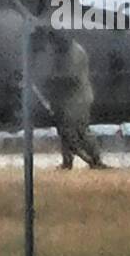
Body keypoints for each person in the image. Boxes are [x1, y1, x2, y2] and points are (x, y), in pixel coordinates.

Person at [43, 30, 106, 169]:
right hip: (65, 98)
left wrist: (51, 80)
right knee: (64, 130)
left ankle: (95, 159)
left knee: (80, 129)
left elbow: (73, 78)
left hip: (78, 98)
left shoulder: (75, 53)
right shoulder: (60, 52)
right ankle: (67, 161)